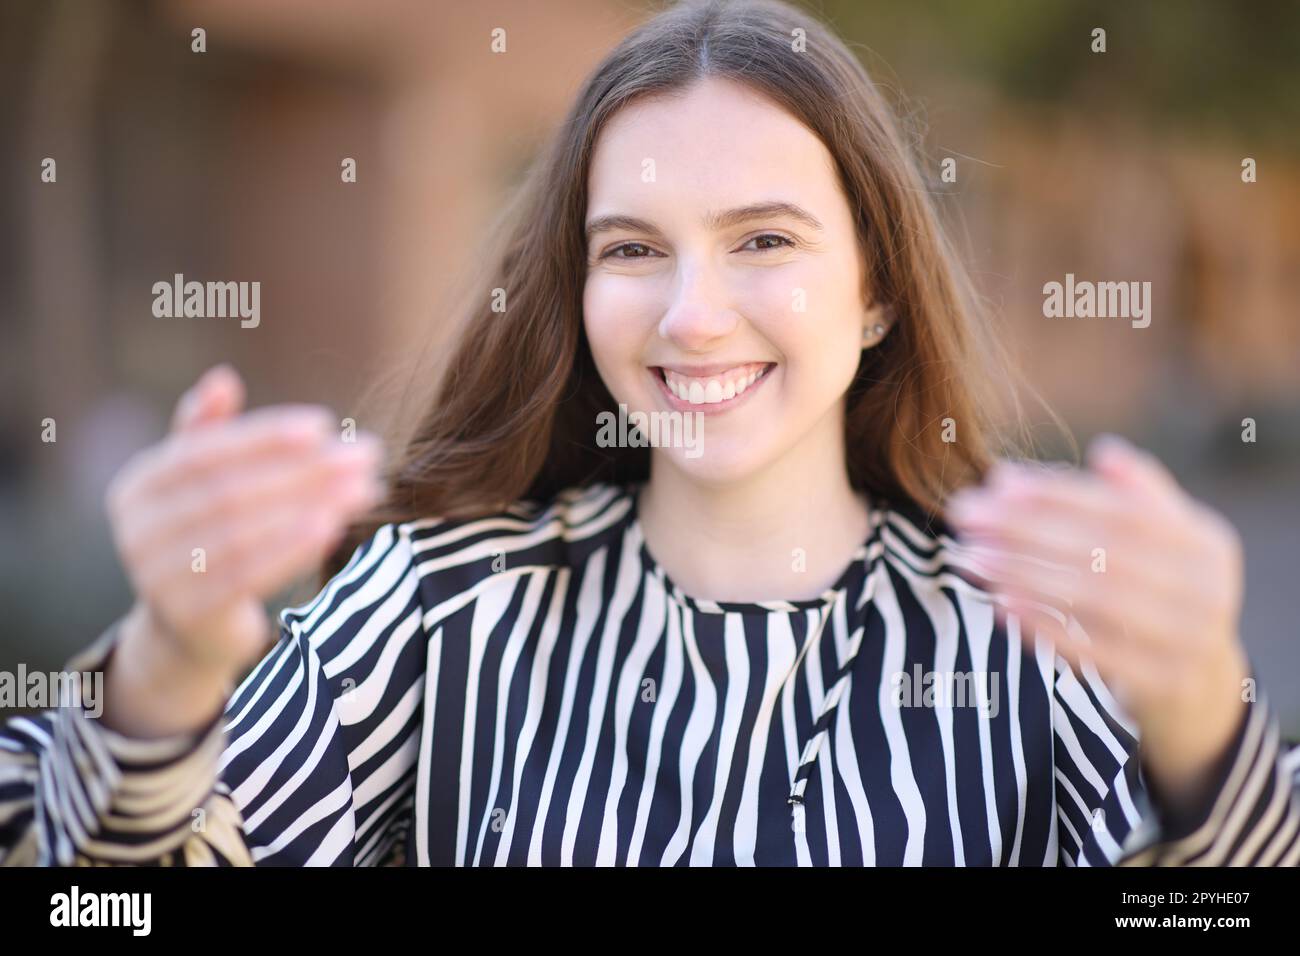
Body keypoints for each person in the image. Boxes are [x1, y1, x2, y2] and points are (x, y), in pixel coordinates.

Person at [2, 0, 1296, 867]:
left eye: (764, 240)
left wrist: (1196, 713)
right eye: (631, 250)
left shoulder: (1028, 633)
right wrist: (168, 667)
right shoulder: (442, 604)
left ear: (878, 289)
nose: (691, 316)